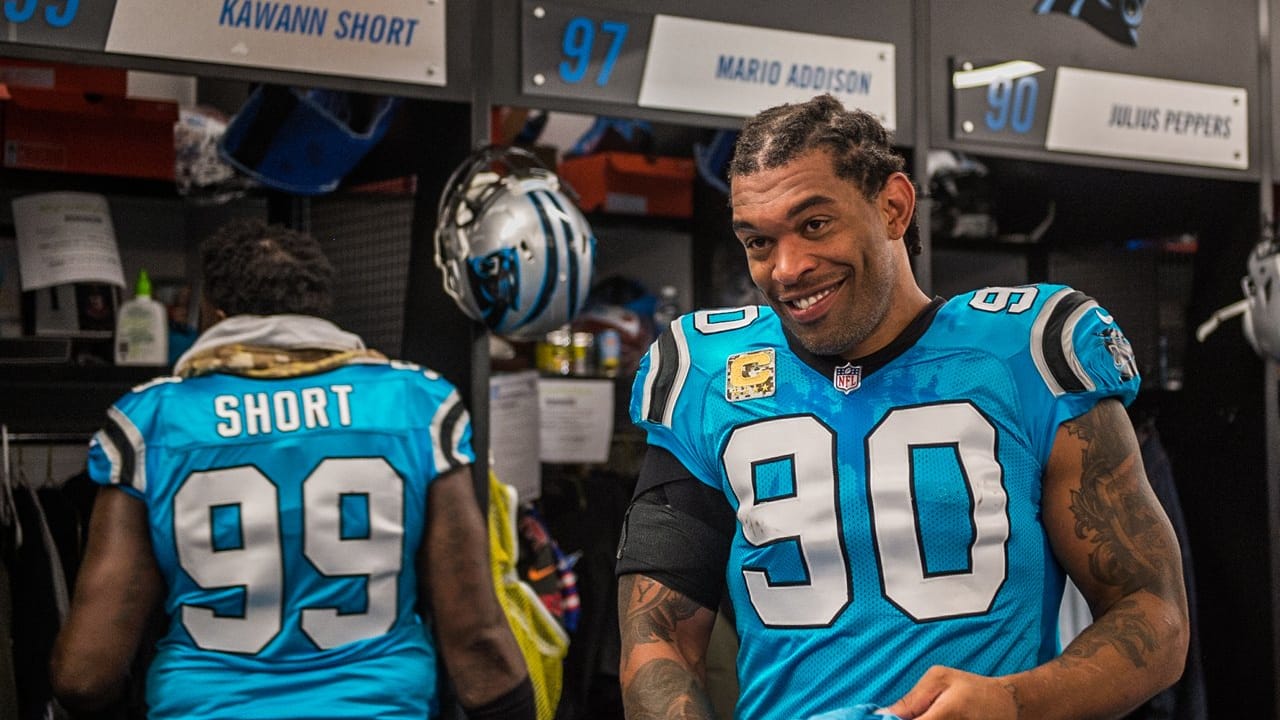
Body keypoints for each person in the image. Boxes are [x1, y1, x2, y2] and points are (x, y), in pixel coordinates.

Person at [615, 94, 1189, 720]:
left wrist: (1015, 702)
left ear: (893, 206)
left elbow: (1152, 613)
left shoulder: (1028, 356)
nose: (788, 268)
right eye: (758, 241)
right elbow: (657, 636)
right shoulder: (704, 374)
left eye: (814, 225)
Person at [50, 218, 535, 720]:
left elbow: (86, 676)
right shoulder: (418, 406)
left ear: (214, 313)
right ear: (318, 308)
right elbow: (478, 643)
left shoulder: (150, 422)